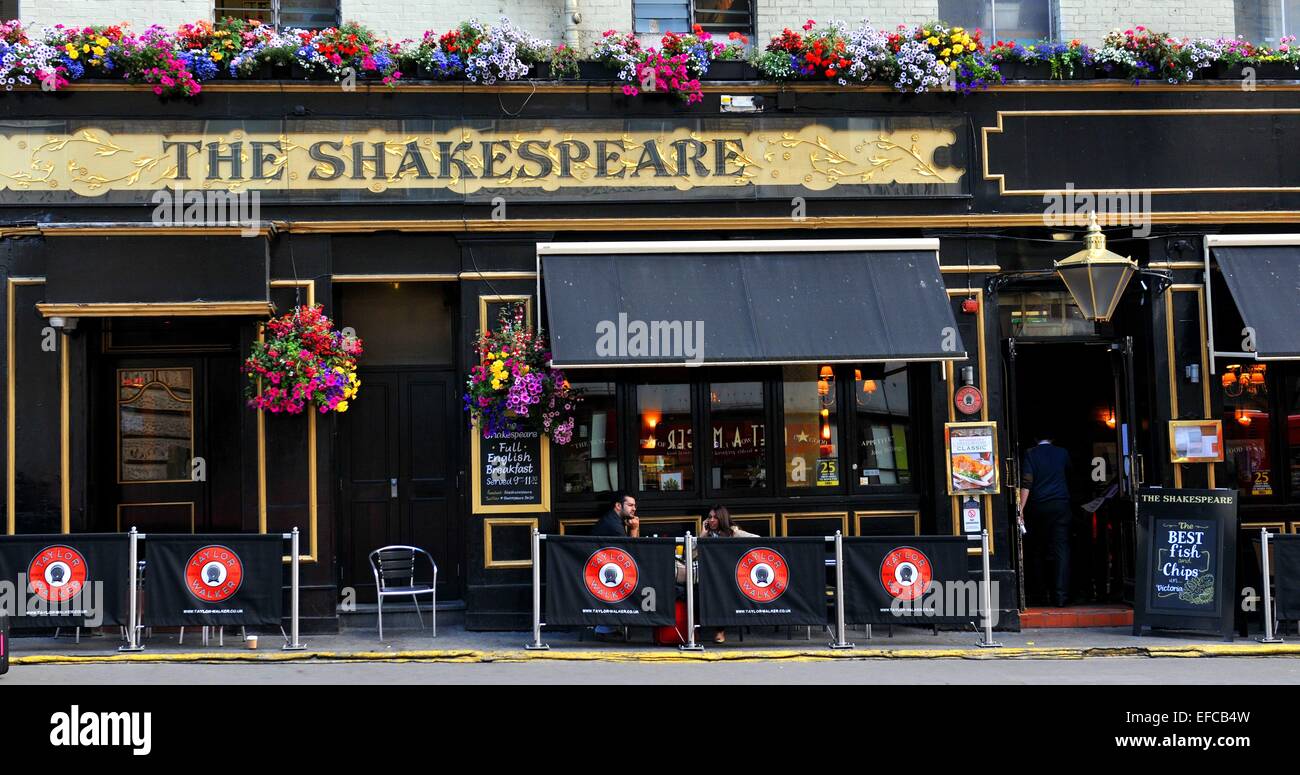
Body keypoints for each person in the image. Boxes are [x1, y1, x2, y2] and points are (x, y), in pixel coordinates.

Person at [1017, 431, 1074, 607]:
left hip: (1038, 507)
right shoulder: (1062, 453)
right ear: (1053, 438)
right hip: (1060, 505)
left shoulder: (1030, 453)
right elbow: (1070, 476)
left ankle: (1039, 594)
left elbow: (1027, 482)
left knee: (1037, 549)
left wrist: (1021, 508)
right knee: (1061, 549)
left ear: (1035, 438)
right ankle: (1061, 597)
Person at [698, 505, 755, 643]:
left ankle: (719, 630)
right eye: (709, 517)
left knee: (719, 591)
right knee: (695, 591)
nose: (711, 520)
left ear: (722, 519)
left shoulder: (734, 533)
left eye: (715, 518)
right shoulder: (707, 535)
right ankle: (693, 630)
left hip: (730, 577)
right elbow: (691, 555)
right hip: (709, 576)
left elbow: (757, 539)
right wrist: (702, 536)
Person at [590, 491, 638, 642]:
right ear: (618, 506)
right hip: (600, 572)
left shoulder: (614, 520)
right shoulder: (613, 524)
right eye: (630, 505)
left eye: (635, 505)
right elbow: (630, 552)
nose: (634, 508)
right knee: (630, 581)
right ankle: (606, 628)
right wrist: (634, 529)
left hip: (601, 567)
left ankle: (611, 626)